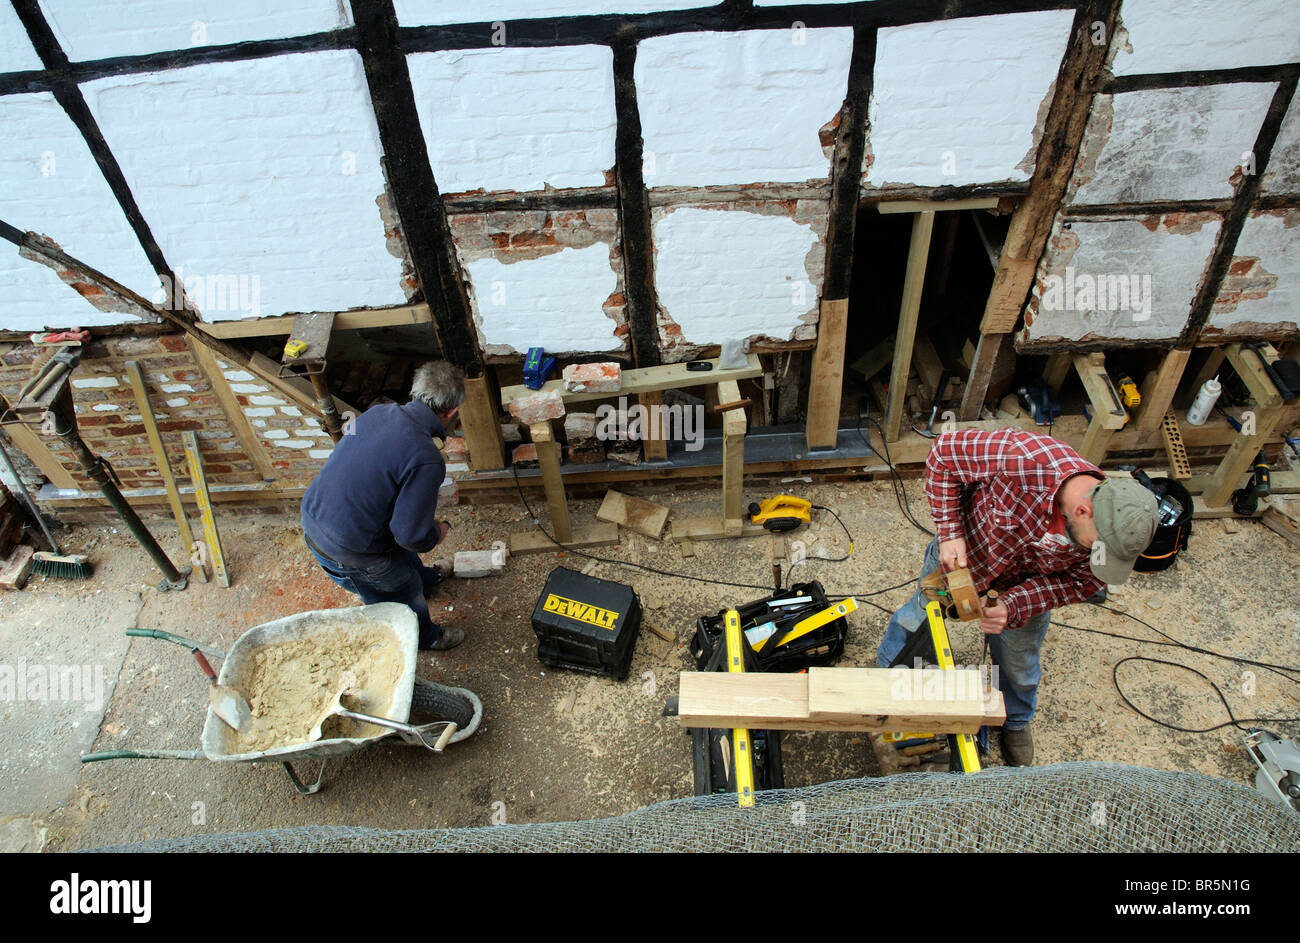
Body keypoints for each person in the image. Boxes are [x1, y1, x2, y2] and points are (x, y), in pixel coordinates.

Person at [876, 428, 1159, 767]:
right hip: (962, 559)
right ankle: (885, 683)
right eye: (1096, 547)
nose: (1097, 556)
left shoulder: (1108, 531)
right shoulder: (1022, 458)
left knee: (1020, 660)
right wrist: (950, 532)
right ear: (1084, 511)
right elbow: (943, 456)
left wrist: (1014, 605)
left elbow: (1081, 583)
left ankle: (1014, 719)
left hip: (1025, 587)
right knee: (914, 622)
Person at [301, 360, 466, 651]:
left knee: (399, 555)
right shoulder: (426, 457)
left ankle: (428, 579)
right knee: (401, 588)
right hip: (349, 551)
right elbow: (410, 536)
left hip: (315, 517)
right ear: (452, 411)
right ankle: (425, 637)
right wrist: (436, 532)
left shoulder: (376, 414)